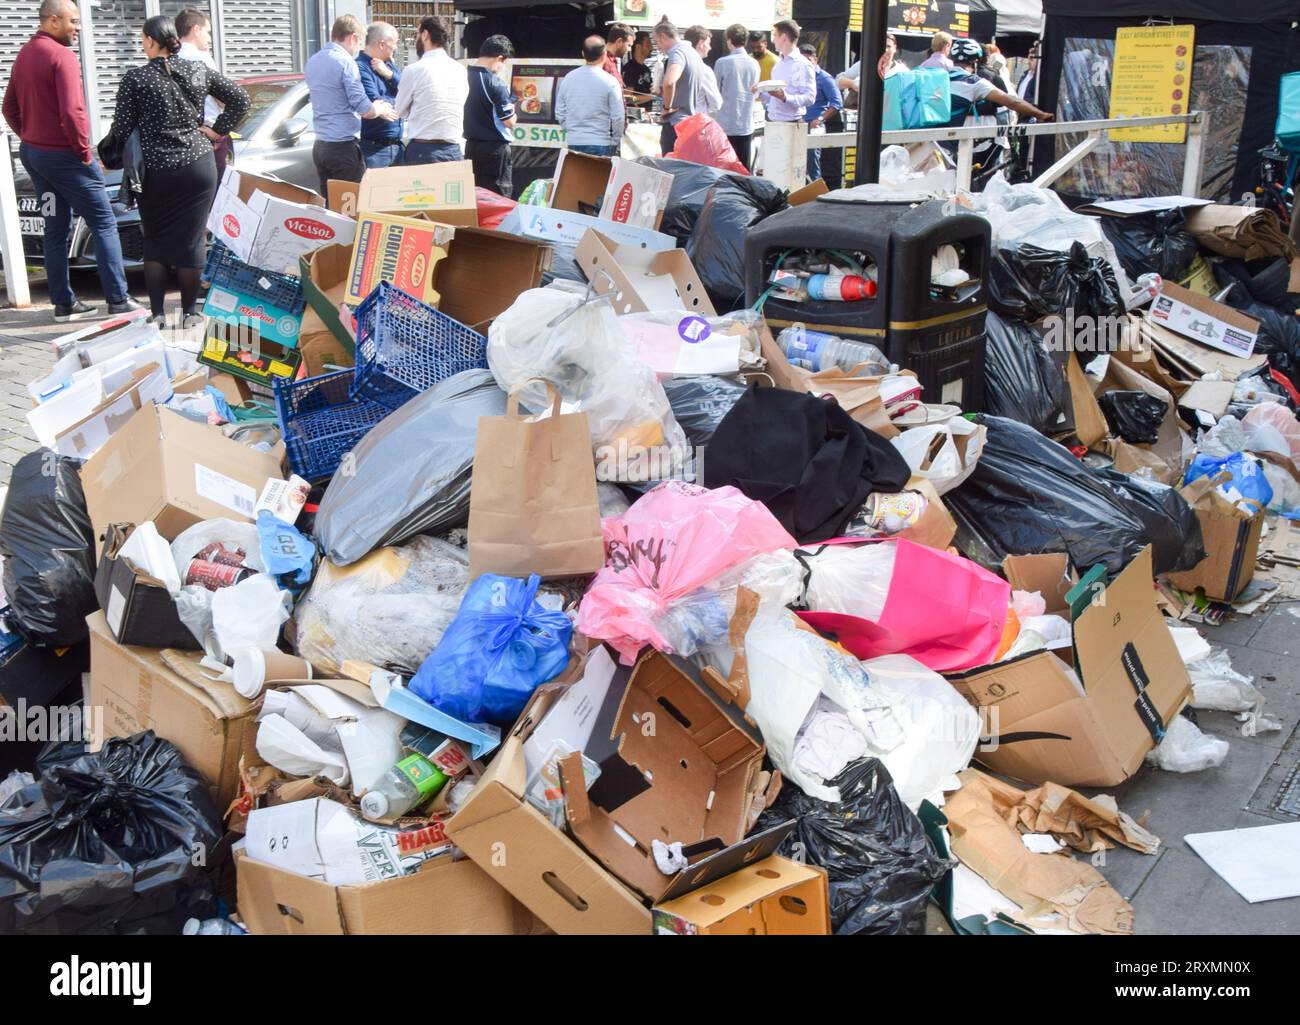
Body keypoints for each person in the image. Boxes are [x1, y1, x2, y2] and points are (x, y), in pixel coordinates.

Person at [100, 15, 249, 328]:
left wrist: (107, 154)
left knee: (154, 240)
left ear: (152, 42)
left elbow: (122, 128)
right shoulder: (197, 69)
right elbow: (241, 99)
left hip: (156, 170)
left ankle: (157, 315)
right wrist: (215, 130)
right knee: (192, 240)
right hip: (198, 165)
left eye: (142, 41)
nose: (142, 46)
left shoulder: (135, 79)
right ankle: (190, 313)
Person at [2, 0, 140, 321]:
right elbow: (72, 112)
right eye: (73, 21)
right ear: (52, 21)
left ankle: (63, 303)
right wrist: (83, 153)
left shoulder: (25, 53)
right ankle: (118, 299)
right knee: (104, 222)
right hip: (65, 157)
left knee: (54, 228)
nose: (78, 28)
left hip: (35, 156)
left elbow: (8, 106)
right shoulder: (61, 56)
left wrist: (31, 136)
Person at [304, 15, 397, 193]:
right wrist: (380, 108)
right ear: (353, 37)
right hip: (342, 147)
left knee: (330, 205)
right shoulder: (346, 62)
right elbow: (364, 109)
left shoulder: (313, 61)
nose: (358, 48)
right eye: (359, 42)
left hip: (320, 147)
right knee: (352, 205)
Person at [396, 15, 469, 165]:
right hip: (454, 150)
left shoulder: (413, 70)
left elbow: (398, 110)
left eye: (417, 34)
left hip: (423, 150)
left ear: (425, 35)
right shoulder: (460, 70)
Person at [175, 9, 231, 182]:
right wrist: (218, 131)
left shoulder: (168, 59)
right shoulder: (201, 58)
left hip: (179, 138)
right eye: (207, 32)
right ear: (196, 29)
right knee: (216, 195)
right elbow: (223, 100)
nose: (209, 38)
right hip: (208, 134)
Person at [464, 34, 516, 196]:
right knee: (497, 196)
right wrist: (514, 107)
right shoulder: (495, 81)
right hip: (494, 149)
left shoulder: (461, 75)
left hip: (471, 145)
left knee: (474, 196)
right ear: (499, 58)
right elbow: (509, 122)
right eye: (504, 63)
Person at [555, 36, 624, 157]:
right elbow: (618, 117)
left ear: (583, 54)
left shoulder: (568, 78)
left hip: (574, 142)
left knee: (577, 177)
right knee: (600, 177)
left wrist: (572, 132)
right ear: (604, 54)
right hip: (601, 142)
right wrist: (614, 141)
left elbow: (560, 112)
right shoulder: (610, 81)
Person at [356, 22, 404, 168]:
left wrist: (389, 75)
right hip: (374, 151)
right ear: (382, 44)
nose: (396, 47)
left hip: (397, 148)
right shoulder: (360, 67)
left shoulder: (388, 66)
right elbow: (374, 102)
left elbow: (408, 89)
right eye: (395, 43)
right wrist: (401, 102)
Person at [753, 19, 815, 126]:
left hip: (792, 123)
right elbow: (774, 99)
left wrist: (785, 97)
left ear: (784, 37)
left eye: (775, 35)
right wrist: (760, 92)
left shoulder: (801, 64)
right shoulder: (778, 64)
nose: (773, 40)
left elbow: (810, 97)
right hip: (773, 121)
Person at [715, 22, 759, 170]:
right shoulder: (754, 64)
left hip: (725, 123)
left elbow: (715, 92)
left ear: (729, 40)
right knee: (744, 169)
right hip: (746, 123)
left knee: (724, 168)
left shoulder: (722, 63)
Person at [655, 19, 703, 155]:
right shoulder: (693, 53)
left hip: (675, 124)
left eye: (657, 42)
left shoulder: (677, 53)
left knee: (670, 172)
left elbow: (669, 82)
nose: (658, 47)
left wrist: (666, 107)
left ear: (663, 36)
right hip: (689, 123)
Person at [799, 44, 842, 183]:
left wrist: (820, 119)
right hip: (798, 123)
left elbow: (837, 103)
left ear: (815, 60)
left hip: (815, 125)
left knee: (812, 157)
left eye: (809, 60)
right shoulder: (797, 77)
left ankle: (814, 189)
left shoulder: (824, 78)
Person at [837, 33, 903, 97]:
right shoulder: (864, 65)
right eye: (881, 46)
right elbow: (837, 81)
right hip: (862, 107)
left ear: (895, 48)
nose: (885, 50)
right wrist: (853, 83)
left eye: (888, 46)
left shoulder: (901, 71)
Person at [686, 26, 721, 116]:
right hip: (696, 121)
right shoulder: (704, 70)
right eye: (708, 43)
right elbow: (716, 103)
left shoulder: (677, 65)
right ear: (701, 43)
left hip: (676, 121)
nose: (710, 48)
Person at [623, 30, 653, 95]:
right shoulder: (629, 69)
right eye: (648, 45)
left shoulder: (646, 69)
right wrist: (652, 97)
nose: (651, 48)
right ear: (638, 47)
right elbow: (627, 98)